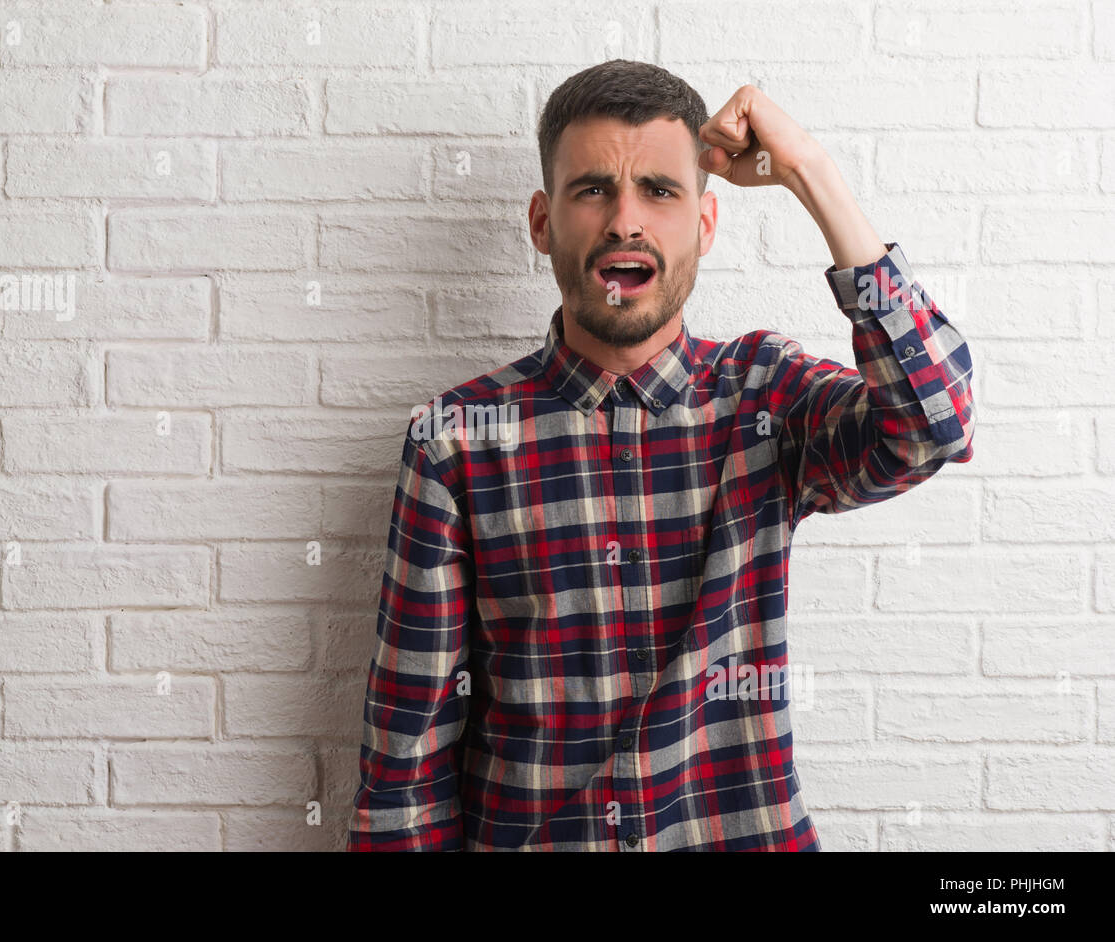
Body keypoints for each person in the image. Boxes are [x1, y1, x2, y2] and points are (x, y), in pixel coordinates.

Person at [347, 59, 974, 851]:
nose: (625, 221)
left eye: (660, 190)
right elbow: (410, 747)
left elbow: (936, 423)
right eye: (593, 190)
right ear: (542, 222)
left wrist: (812, 173)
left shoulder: (764, 396)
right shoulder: (455, 439)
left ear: (706, 224)